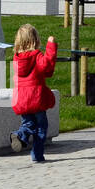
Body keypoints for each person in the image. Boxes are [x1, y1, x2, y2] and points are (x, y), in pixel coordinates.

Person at [9, 25, 57, 163]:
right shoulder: (36, 55)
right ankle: (37, 155)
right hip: (36, 98)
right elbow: (47, 68)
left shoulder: (17, 58)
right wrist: (51, 46)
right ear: (35, 40)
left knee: (28, 124)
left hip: (21, 98)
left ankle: (19, 134)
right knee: (41, 127)